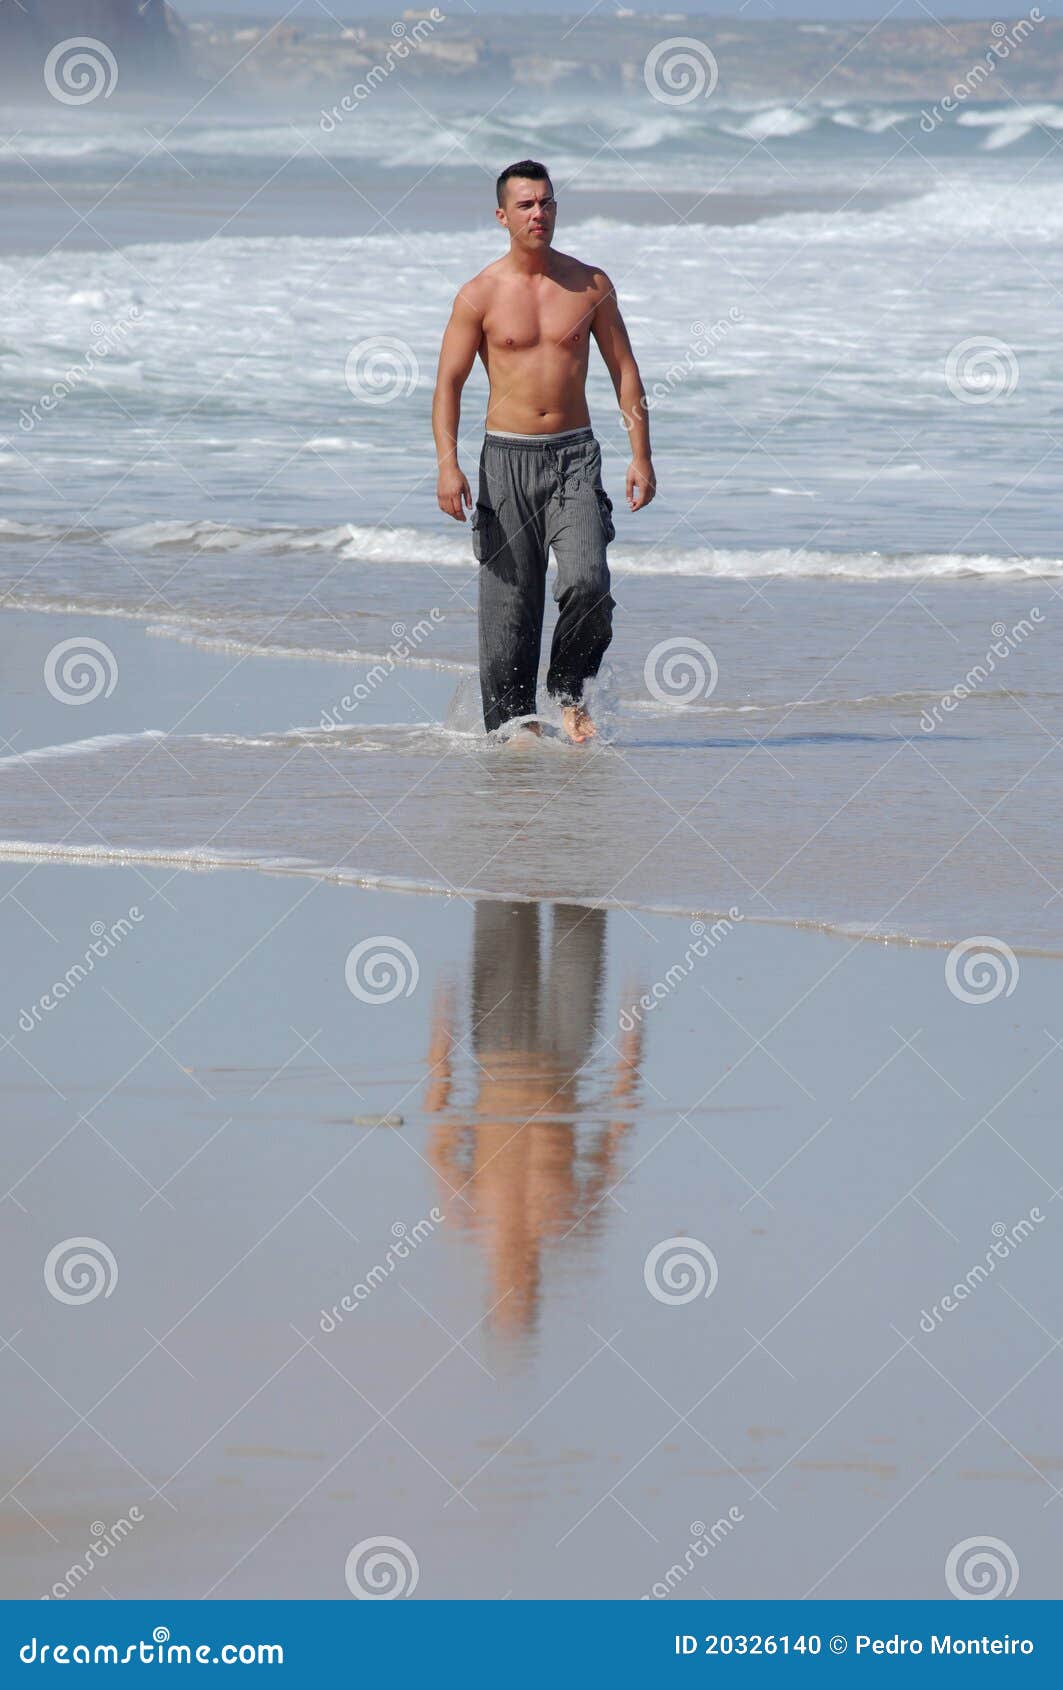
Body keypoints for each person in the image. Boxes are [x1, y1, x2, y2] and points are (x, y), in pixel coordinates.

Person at [432, 159, 656, 743]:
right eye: (527, 205)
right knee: (510, 607)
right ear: (502, 216)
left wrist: (642, 454)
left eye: (548, 202)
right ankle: (514, 731)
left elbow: (624, 371)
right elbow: (448, 385)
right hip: (504, 459)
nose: (540, 214)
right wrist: (447, 465)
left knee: (587, 578)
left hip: (574, 458)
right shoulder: (479, 295)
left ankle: (568, 692)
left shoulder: (590, 285)